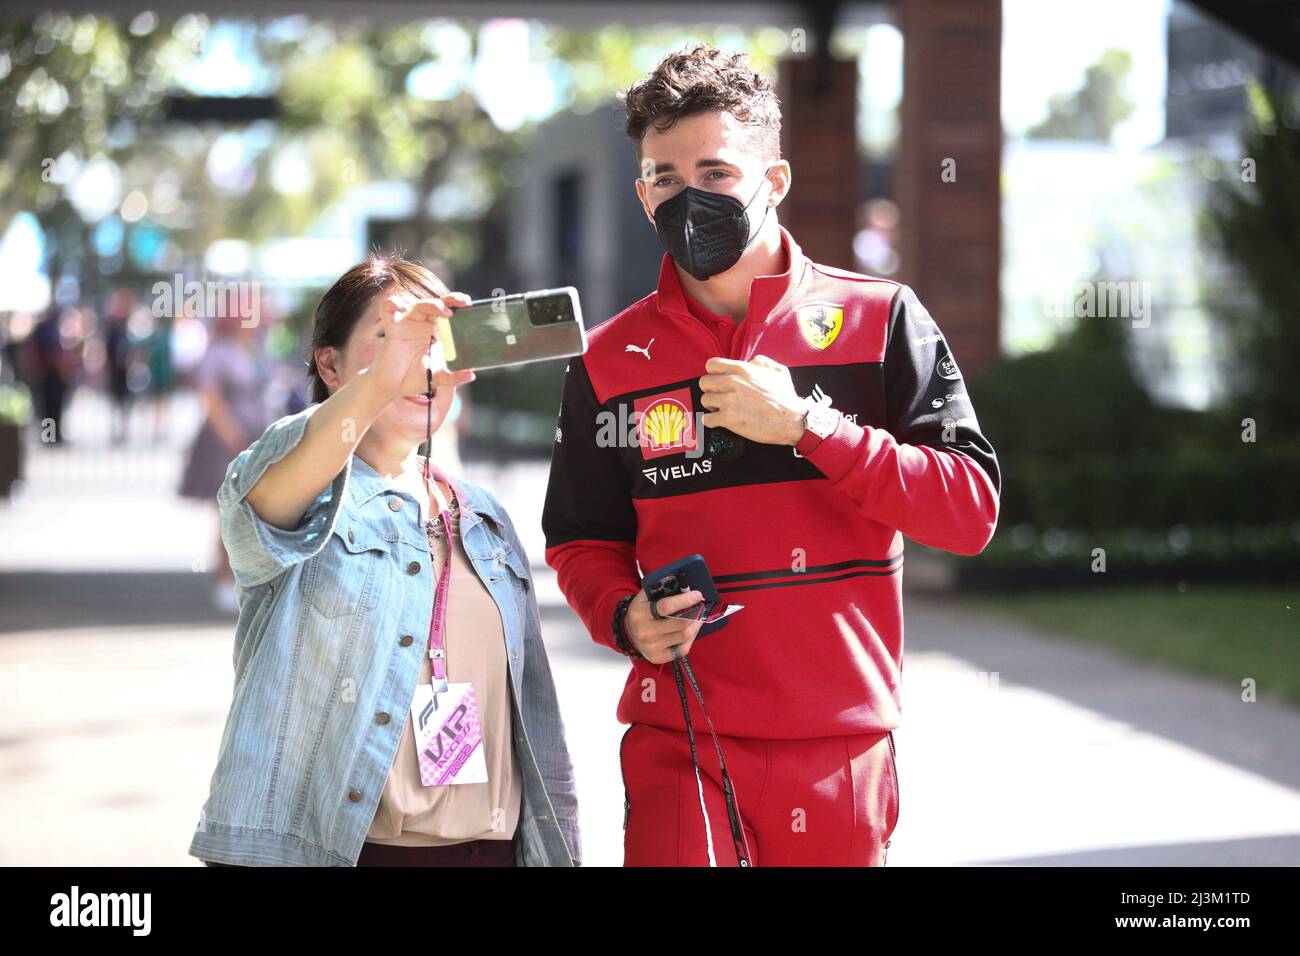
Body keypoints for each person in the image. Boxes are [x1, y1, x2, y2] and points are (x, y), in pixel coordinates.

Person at [541, 44, 1001, 867]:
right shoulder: (607, 359)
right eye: (665, 177)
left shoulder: (882, 318)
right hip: (677, 732)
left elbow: (968, 512)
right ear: (641, 191)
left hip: (840, 744)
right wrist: (623, 616)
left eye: (715, 173)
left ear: (775, 180)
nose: (689, 197)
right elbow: (581, 539)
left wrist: (809, 427)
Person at [189, 253, 579, 867]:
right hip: (342, 854)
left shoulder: (485, 519)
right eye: (393, 338)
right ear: (330, 362)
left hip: (490, 854)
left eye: (436, 342)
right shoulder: (300, 486)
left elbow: (537, 730)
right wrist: (380, 383)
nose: (419, 361)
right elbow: (266, 502)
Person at [178, 310, 273, 612]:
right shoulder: (219, 353)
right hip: (226, 445)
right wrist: (231, 434)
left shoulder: (256, 350)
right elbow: (209, 396)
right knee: (226, 514)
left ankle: (246, 578)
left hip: (256, 440)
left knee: (254, 513)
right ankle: (222, 578)